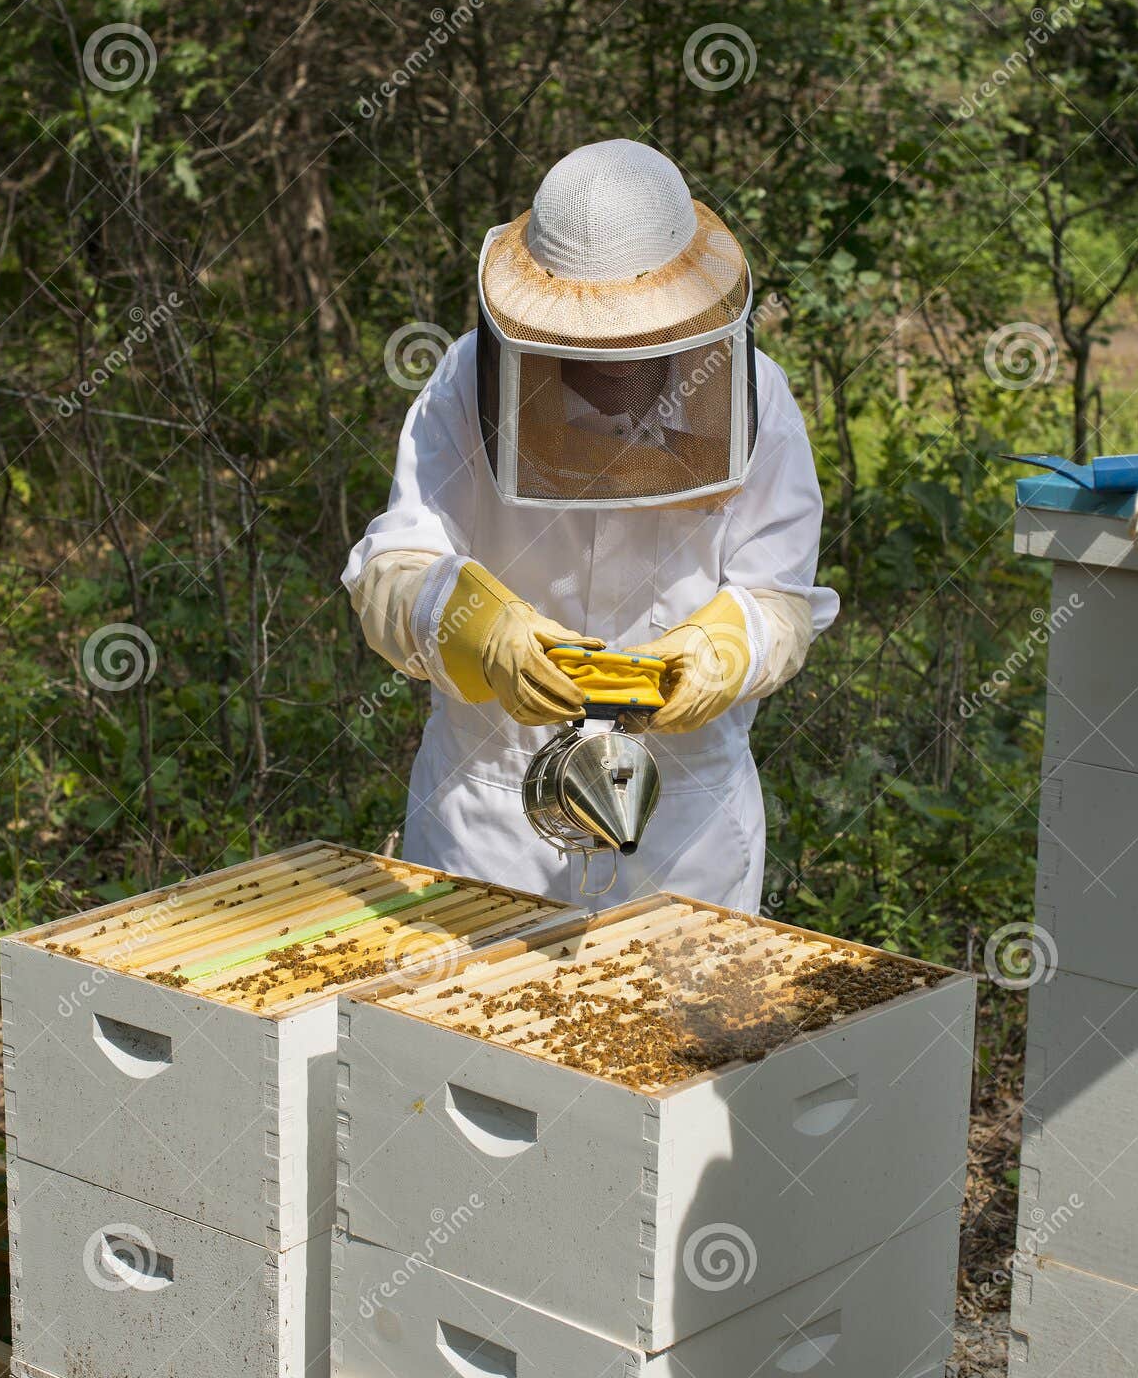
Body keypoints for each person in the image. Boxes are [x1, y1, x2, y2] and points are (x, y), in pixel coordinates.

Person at [343, 140, 838, 910]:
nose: (616, 363)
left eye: (638, 338)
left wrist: (730, 645)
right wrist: (478, 627)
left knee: (690, 1033)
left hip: (686, 825)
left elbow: (780, 597)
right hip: (491, 814)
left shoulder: (753, 396)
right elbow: (393, 571)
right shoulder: (463, 383)